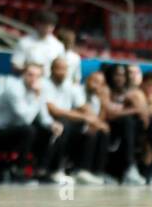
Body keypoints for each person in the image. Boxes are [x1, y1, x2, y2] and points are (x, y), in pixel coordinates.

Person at [0, 62, 58, 182]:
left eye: (37, 76)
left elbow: (44, 117)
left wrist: (53, 124)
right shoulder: (14, 90)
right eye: (30, 75)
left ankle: (41, 170)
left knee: (48, 131)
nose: (33, 79)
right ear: (23, 74)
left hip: (17, 130)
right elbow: (26, 119)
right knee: (29, 130)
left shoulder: (38, 91)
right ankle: (20, 170)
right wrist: (37, 97)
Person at [44, 56, 108, 184]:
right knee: (65, 125)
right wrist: (86, 118)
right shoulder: (45, 84)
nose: (62, 72)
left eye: (65, 69)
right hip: (47, 120)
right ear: (51, 69)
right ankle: (55, 170)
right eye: (59, 69)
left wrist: (97, 121)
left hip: (65, 121)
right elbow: (54, 110)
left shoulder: (68, 85)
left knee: (96, 130)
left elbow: (83, 107)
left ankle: (86, 171)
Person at [12, 10, 64, 77]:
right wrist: (30, 69)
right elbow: (16, 65)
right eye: (44, 25)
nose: (47, 28)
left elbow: (61, 68)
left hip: (49, 84)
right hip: (26, 83)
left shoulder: (58, 46)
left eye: (50, 26)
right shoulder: (24, 42)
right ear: (37, 24)